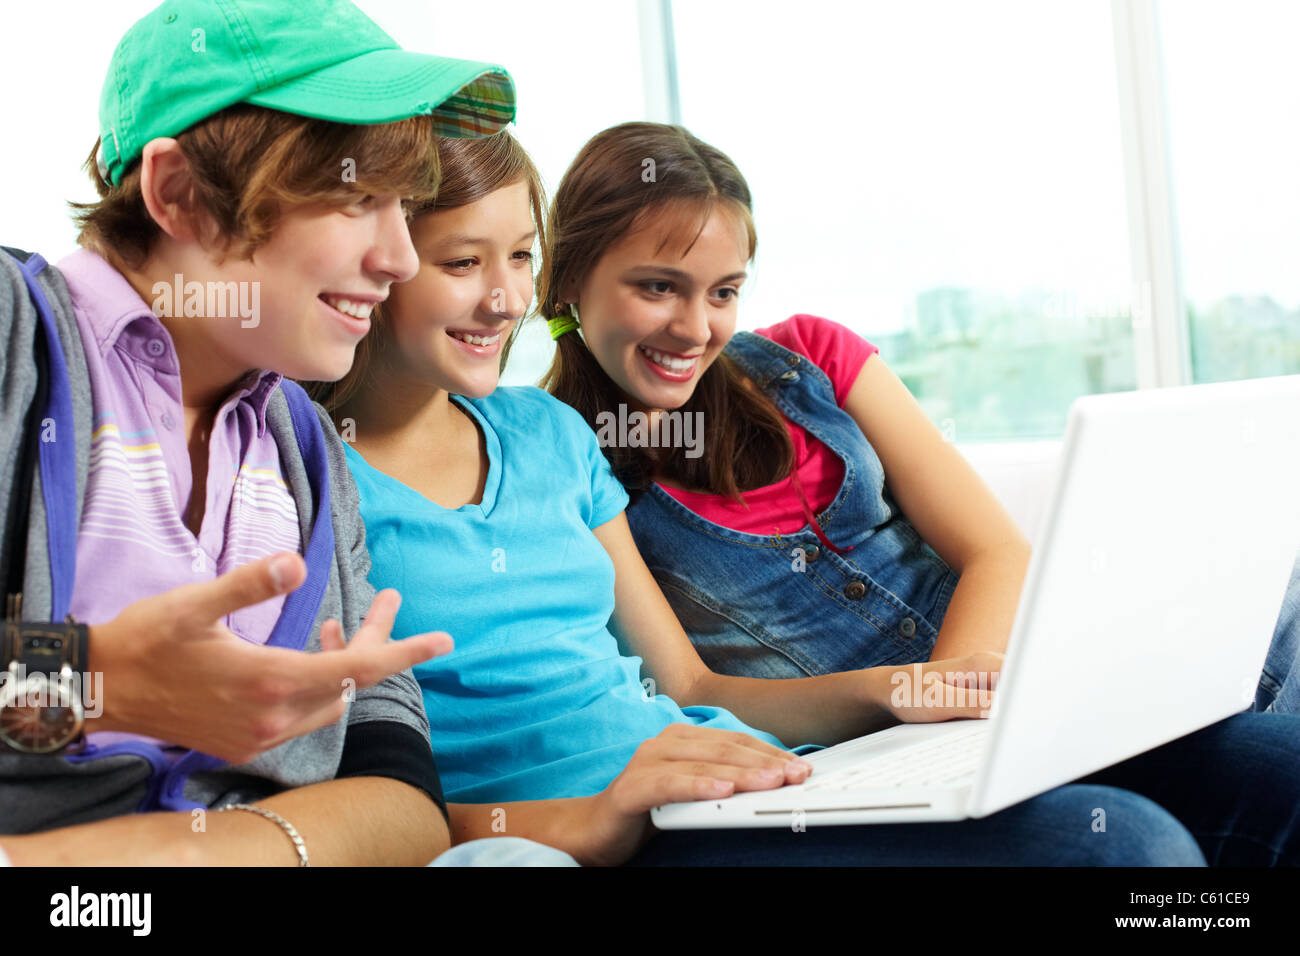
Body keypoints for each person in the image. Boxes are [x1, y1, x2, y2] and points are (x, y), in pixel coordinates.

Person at [309, 128, 1300, 866]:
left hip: (760, 769)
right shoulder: (304, 471)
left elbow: (690, 689)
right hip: (655, 818)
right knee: (1125, 850)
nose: (502, 295)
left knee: (1276, 765)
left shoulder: (547, 437)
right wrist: (590, 814)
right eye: (461, 262)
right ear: (384, 267)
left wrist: (894, 692)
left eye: (517, 256)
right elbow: (365, 793)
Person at [541, 120, 1300, 717]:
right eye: (659, 287)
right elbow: (693, 693)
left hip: (1027, 665)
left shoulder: (810, 355)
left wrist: (960, 702)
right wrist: (926, 707)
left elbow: (996, 551)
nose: (696, 329)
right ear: (572, 274)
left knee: (1279, 601)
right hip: (886, 743)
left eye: (724, 292)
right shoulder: (561, 463)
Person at [0, 0, 521, 866]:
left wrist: (206, 853)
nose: (398, 256)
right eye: (356, 198)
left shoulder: (308, 449)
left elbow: (403, 796)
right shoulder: (17, 337)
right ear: (180, 194)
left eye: (402, 204)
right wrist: (96, 684)